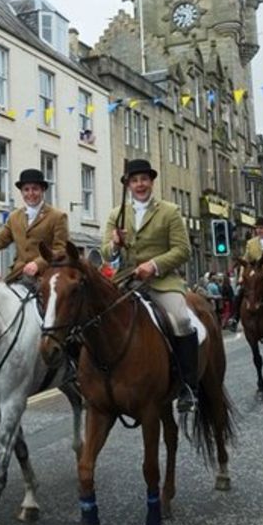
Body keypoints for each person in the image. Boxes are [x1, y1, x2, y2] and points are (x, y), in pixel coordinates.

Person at [101, 158, 197, 413]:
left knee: (181, 320)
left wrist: (153, 265)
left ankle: (188, 385)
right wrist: (114, 245)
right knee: (94, 318)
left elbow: (183, 250)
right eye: (134, 180)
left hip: (161, 281)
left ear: (151, 182)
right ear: (128, 185)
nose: (139, 184)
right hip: (125, 280)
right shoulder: (116, 214)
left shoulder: (170, 211)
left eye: (144, 179)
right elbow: (105, 255)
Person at [0, 168, 69, 282]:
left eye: (35, 189)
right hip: (18, 274)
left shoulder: (58, 216)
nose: (30, 193)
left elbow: (60, 250)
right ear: (21, 192)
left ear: (43, 190)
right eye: (26, 190)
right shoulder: (14, 217)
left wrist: (37, 264)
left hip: (47, 276)